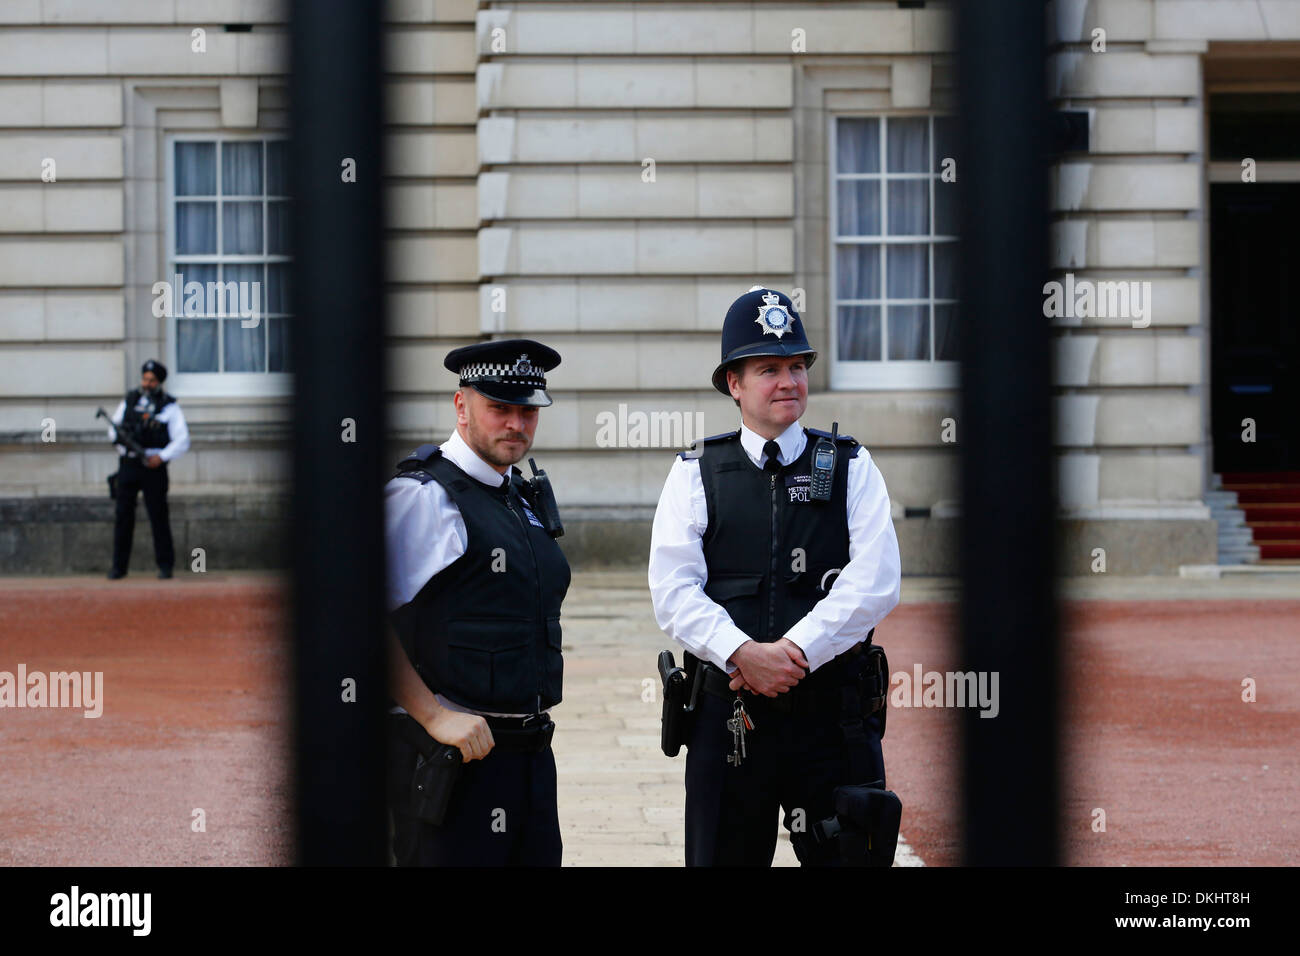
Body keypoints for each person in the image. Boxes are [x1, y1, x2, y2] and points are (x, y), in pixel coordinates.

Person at [649, 286, 902, 866]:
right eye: (769, 369)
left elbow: (875, 581)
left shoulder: (850, 466)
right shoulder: (694, 474)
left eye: (796, 366)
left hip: (832, 723)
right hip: (731, 725)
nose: (788, 381)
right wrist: (742, 652)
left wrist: (792, 653)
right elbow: (673, 591)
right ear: (733, 384)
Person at [384, 339, 570, 867]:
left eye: (528, 410)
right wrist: (433, 715)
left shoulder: (519, 497)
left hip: (529, 761)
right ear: (461, 406)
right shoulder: (423, 497)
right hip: (451, 766)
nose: (516, 423)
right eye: (500, 408)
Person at [107, 359, 189, 580]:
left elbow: (182, 440)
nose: (147, 383)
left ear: (159, 382)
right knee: (123, 516)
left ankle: (165, 566)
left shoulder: (169, 407)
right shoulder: (130, 401)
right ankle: (118, 567)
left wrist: (161, 457)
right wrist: (121, 442)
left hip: (153, 466)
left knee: (158, 516)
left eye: (152, 380)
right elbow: (113, 429)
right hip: (129, 464)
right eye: (145, 378)